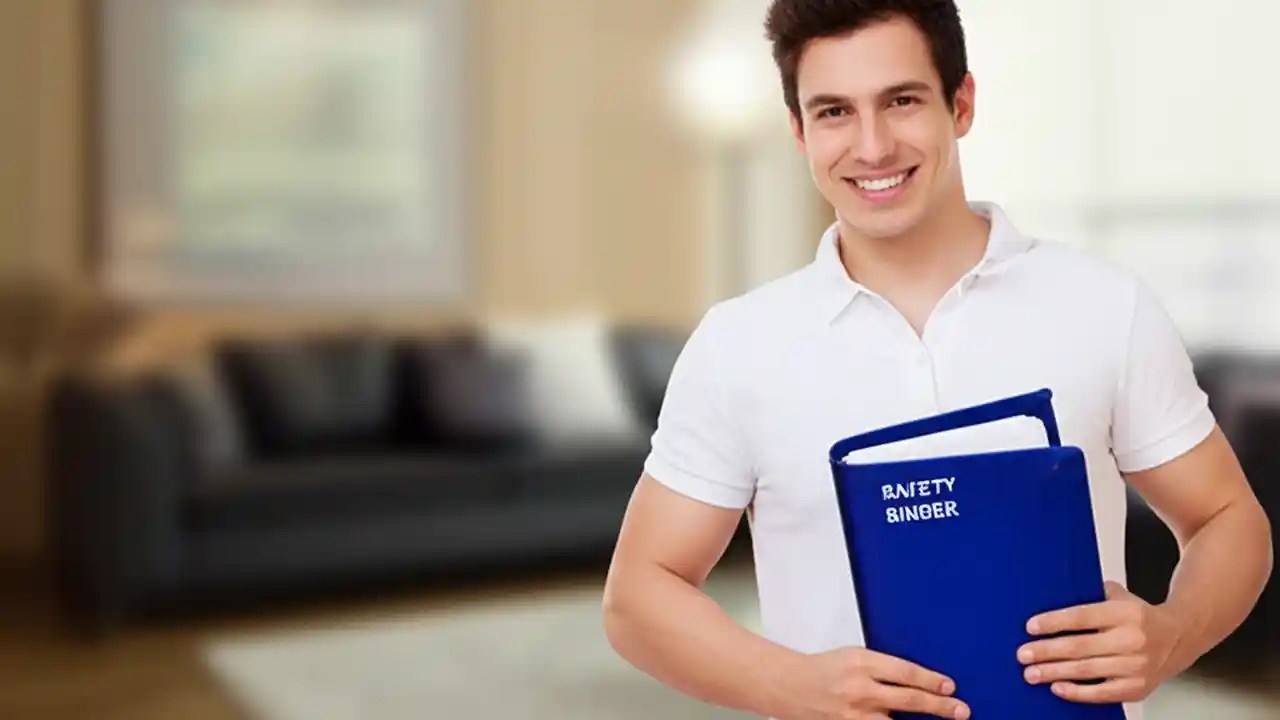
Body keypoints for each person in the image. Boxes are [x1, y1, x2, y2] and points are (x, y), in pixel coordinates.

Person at [601, 1, 1273, 719]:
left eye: (902, 101)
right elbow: (639, 595)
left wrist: (1171, 634)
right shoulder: (737, 344)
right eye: (834, 112)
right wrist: (787, 683)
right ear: (798, 130)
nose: (872, 147)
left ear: (961, 103)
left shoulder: (1104, 305)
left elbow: (1229, 519)